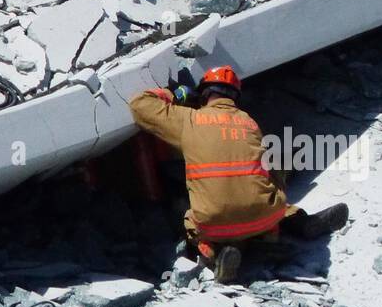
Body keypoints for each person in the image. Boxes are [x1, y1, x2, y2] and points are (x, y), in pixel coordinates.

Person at [129, 65, 349, 283]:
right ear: (235, 95)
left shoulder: (189, 120)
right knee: (262, 183)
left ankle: (216, 257)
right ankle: (294, 225)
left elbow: (139, 105)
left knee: (188, 214)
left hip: (217, 225)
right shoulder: (249, 123)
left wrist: (176, 94)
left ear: (204, 93)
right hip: (266, 218)